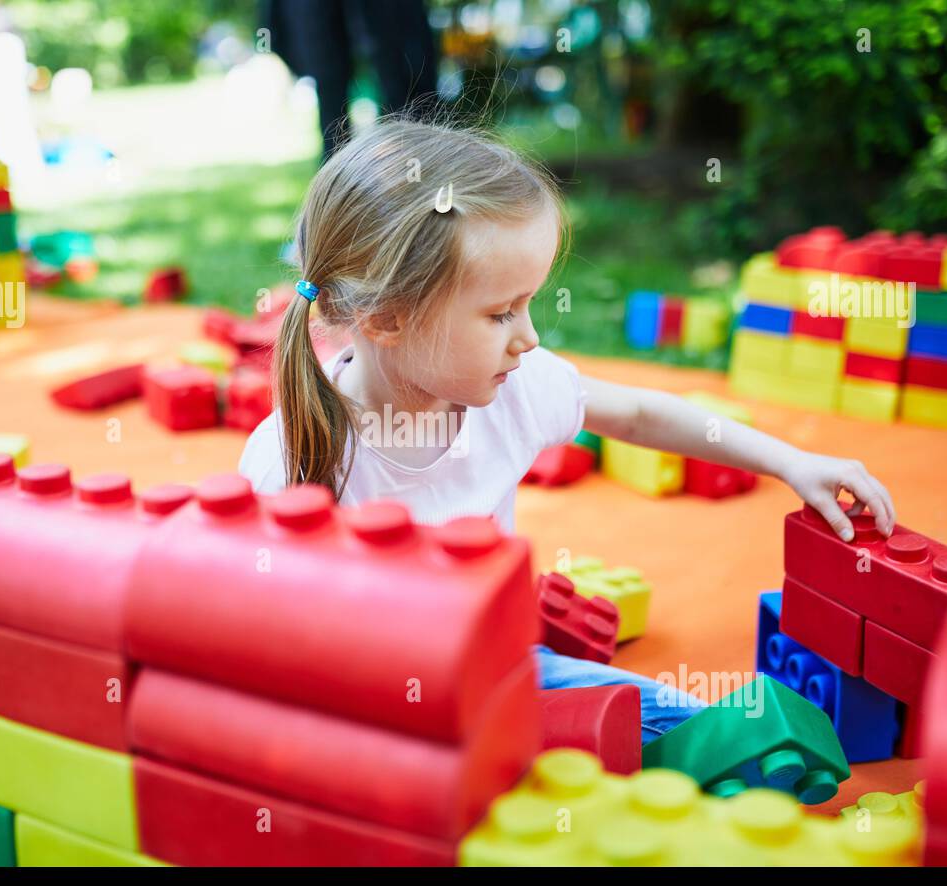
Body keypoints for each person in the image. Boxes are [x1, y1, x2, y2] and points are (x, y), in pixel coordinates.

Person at [239, 118, 899, 742]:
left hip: (497, 670)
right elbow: (261, 640)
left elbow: (640, 414)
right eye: (500, 313)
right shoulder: (294, 462)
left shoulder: (514, 389)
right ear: (385, 321)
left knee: (706, 736)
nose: (528, 337)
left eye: (527, 305)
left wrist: (790, 462)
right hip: (369, 712)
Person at [261, 0, 439, 160]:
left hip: (393, 33)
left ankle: (412, 165)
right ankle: (337, 183)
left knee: (401, 96)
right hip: (322, 26)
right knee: (332, 108)